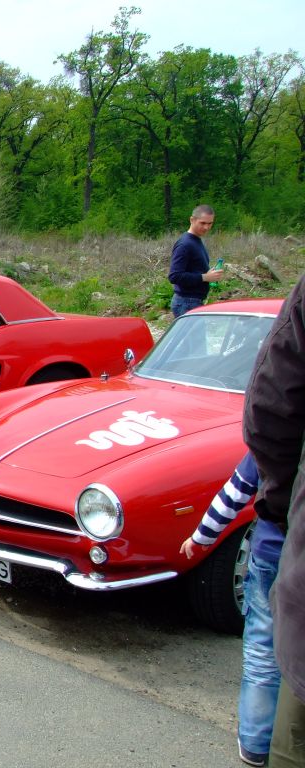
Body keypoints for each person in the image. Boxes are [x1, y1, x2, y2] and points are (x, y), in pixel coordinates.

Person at [179, 452, 284, 766]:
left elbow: (236, 490)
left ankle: (255, 742)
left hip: (272, 551)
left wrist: (201, 538)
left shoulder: (276, 431)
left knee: (262, 650)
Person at [242, 271, 305, 768]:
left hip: (277, 545)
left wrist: (282, 509)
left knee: (261, 655)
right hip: (278, 548)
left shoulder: (264, 448)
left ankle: (255, 744)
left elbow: (270, 417)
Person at [168, 204, 224, 318]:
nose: (206, 227)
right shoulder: (185, 244)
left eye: (210, 223)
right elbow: (174, 276)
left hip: (193, 301)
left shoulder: (196, 241)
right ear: (192, 220)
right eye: (203, 223)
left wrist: (209, 274)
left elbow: (194, 269)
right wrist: (204, 277)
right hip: (186, 302)